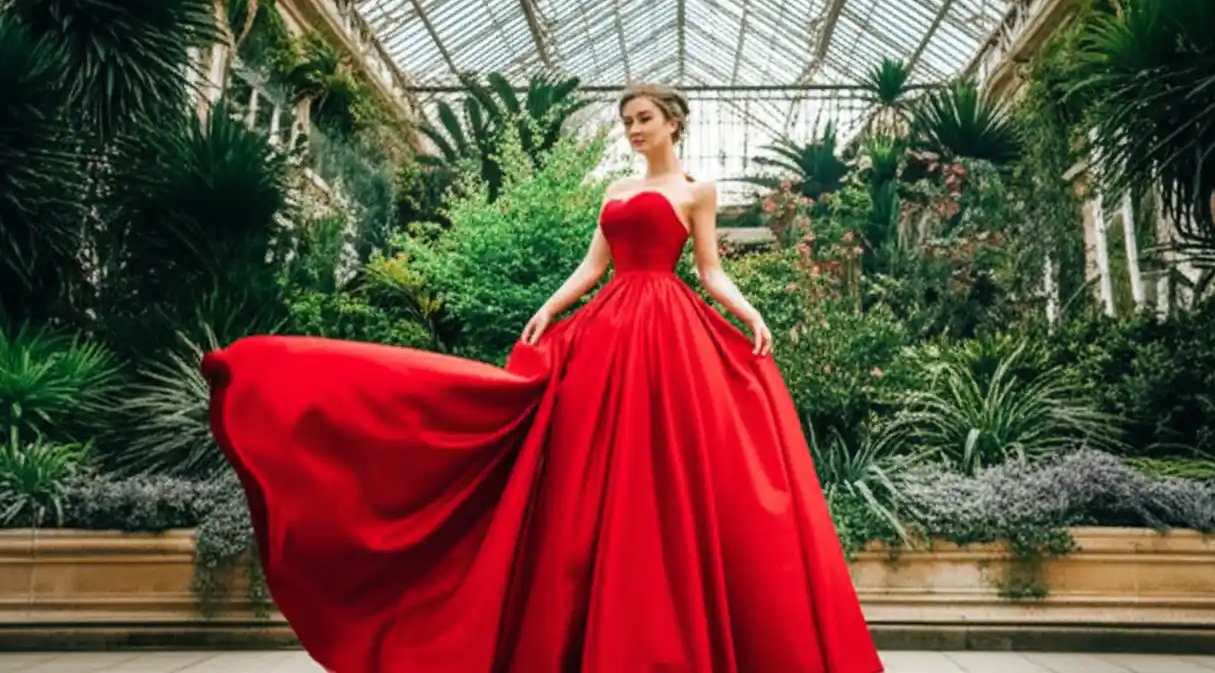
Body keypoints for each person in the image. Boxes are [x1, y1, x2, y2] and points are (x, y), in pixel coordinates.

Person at [202, 83, 884, 673]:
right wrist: (550, 307)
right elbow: (593, 266)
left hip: (669, 329)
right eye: (627, 121)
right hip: (609, 326)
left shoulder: (696, 192)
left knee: (667, 463)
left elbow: (709, 272)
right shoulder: (616, 191)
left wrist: (749, 312)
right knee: (571, 456)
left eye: (643, 118)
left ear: (672, 121)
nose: (633, 129)